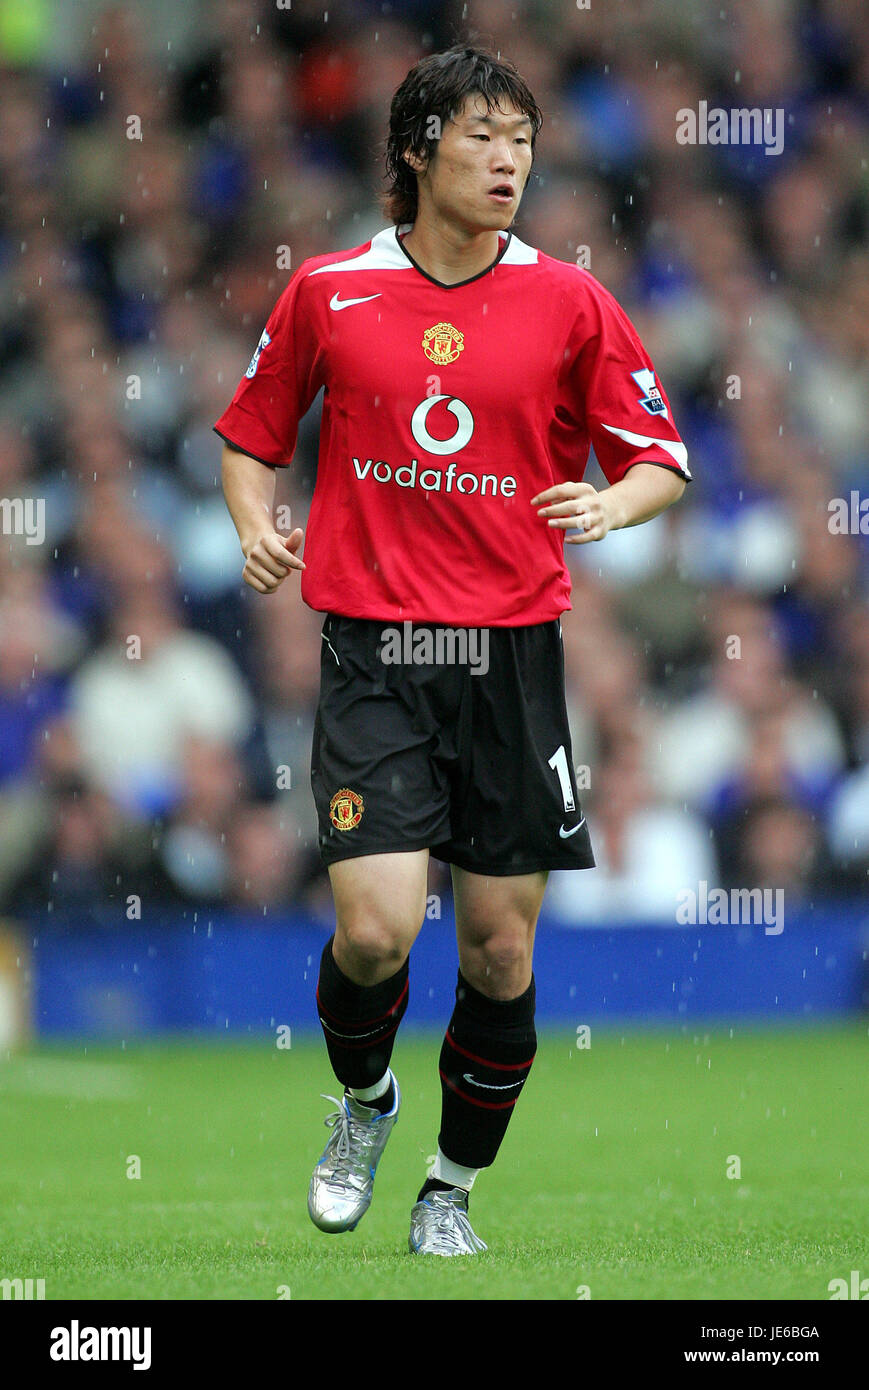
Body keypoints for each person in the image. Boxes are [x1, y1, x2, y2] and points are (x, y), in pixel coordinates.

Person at [216, 44, 689, 1257]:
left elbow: (658, 457)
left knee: (498, 947)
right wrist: (253, 523)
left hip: (510, 659)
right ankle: (364, 1102)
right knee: (376, 930)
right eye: (480, 136)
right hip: (374, 652)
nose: (506, 160)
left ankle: (448, 1189)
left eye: (521, 140)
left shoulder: (569, 300)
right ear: (417, 150)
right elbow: (252, 435)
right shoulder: (328, 290)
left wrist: (611, 503)